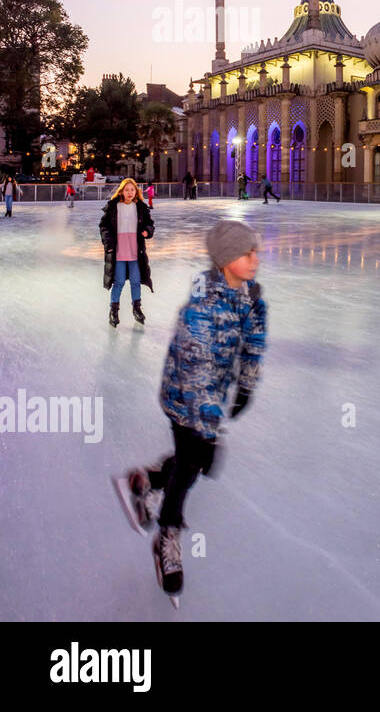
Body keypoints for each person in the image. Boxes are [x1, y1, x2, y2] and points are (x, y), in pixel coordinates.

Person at [116, 220, 267, 599]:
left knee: (193, 462)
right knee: (193, 461)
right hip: (184, 398)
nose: (255, 259)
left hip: (212, 397)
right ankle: (167, 532)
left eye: (255, 251)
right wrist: (209, 428)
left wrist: (247, 384)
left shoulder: (251, 297)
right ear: (226, 259)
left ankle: (147, 480)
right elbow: (195, 372)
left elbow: (254, 341)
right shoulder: (199, 309)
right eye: (247, 253)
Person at [99, 177, 156, 327]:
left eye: (132, 190)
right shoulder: (113, 207)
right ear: (122, 191)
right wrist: (108, 244)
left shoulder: (141, 208)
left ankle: (137, 309)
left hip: (135, 251)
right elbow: (103, 226)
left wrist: (147, 231)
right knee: (118, 282)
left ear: (136, 191)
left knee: (136, 281)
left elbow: (150, 224)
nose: (130, 192)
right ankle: (114, 310)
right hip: (118, 251)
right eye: (127, 190)